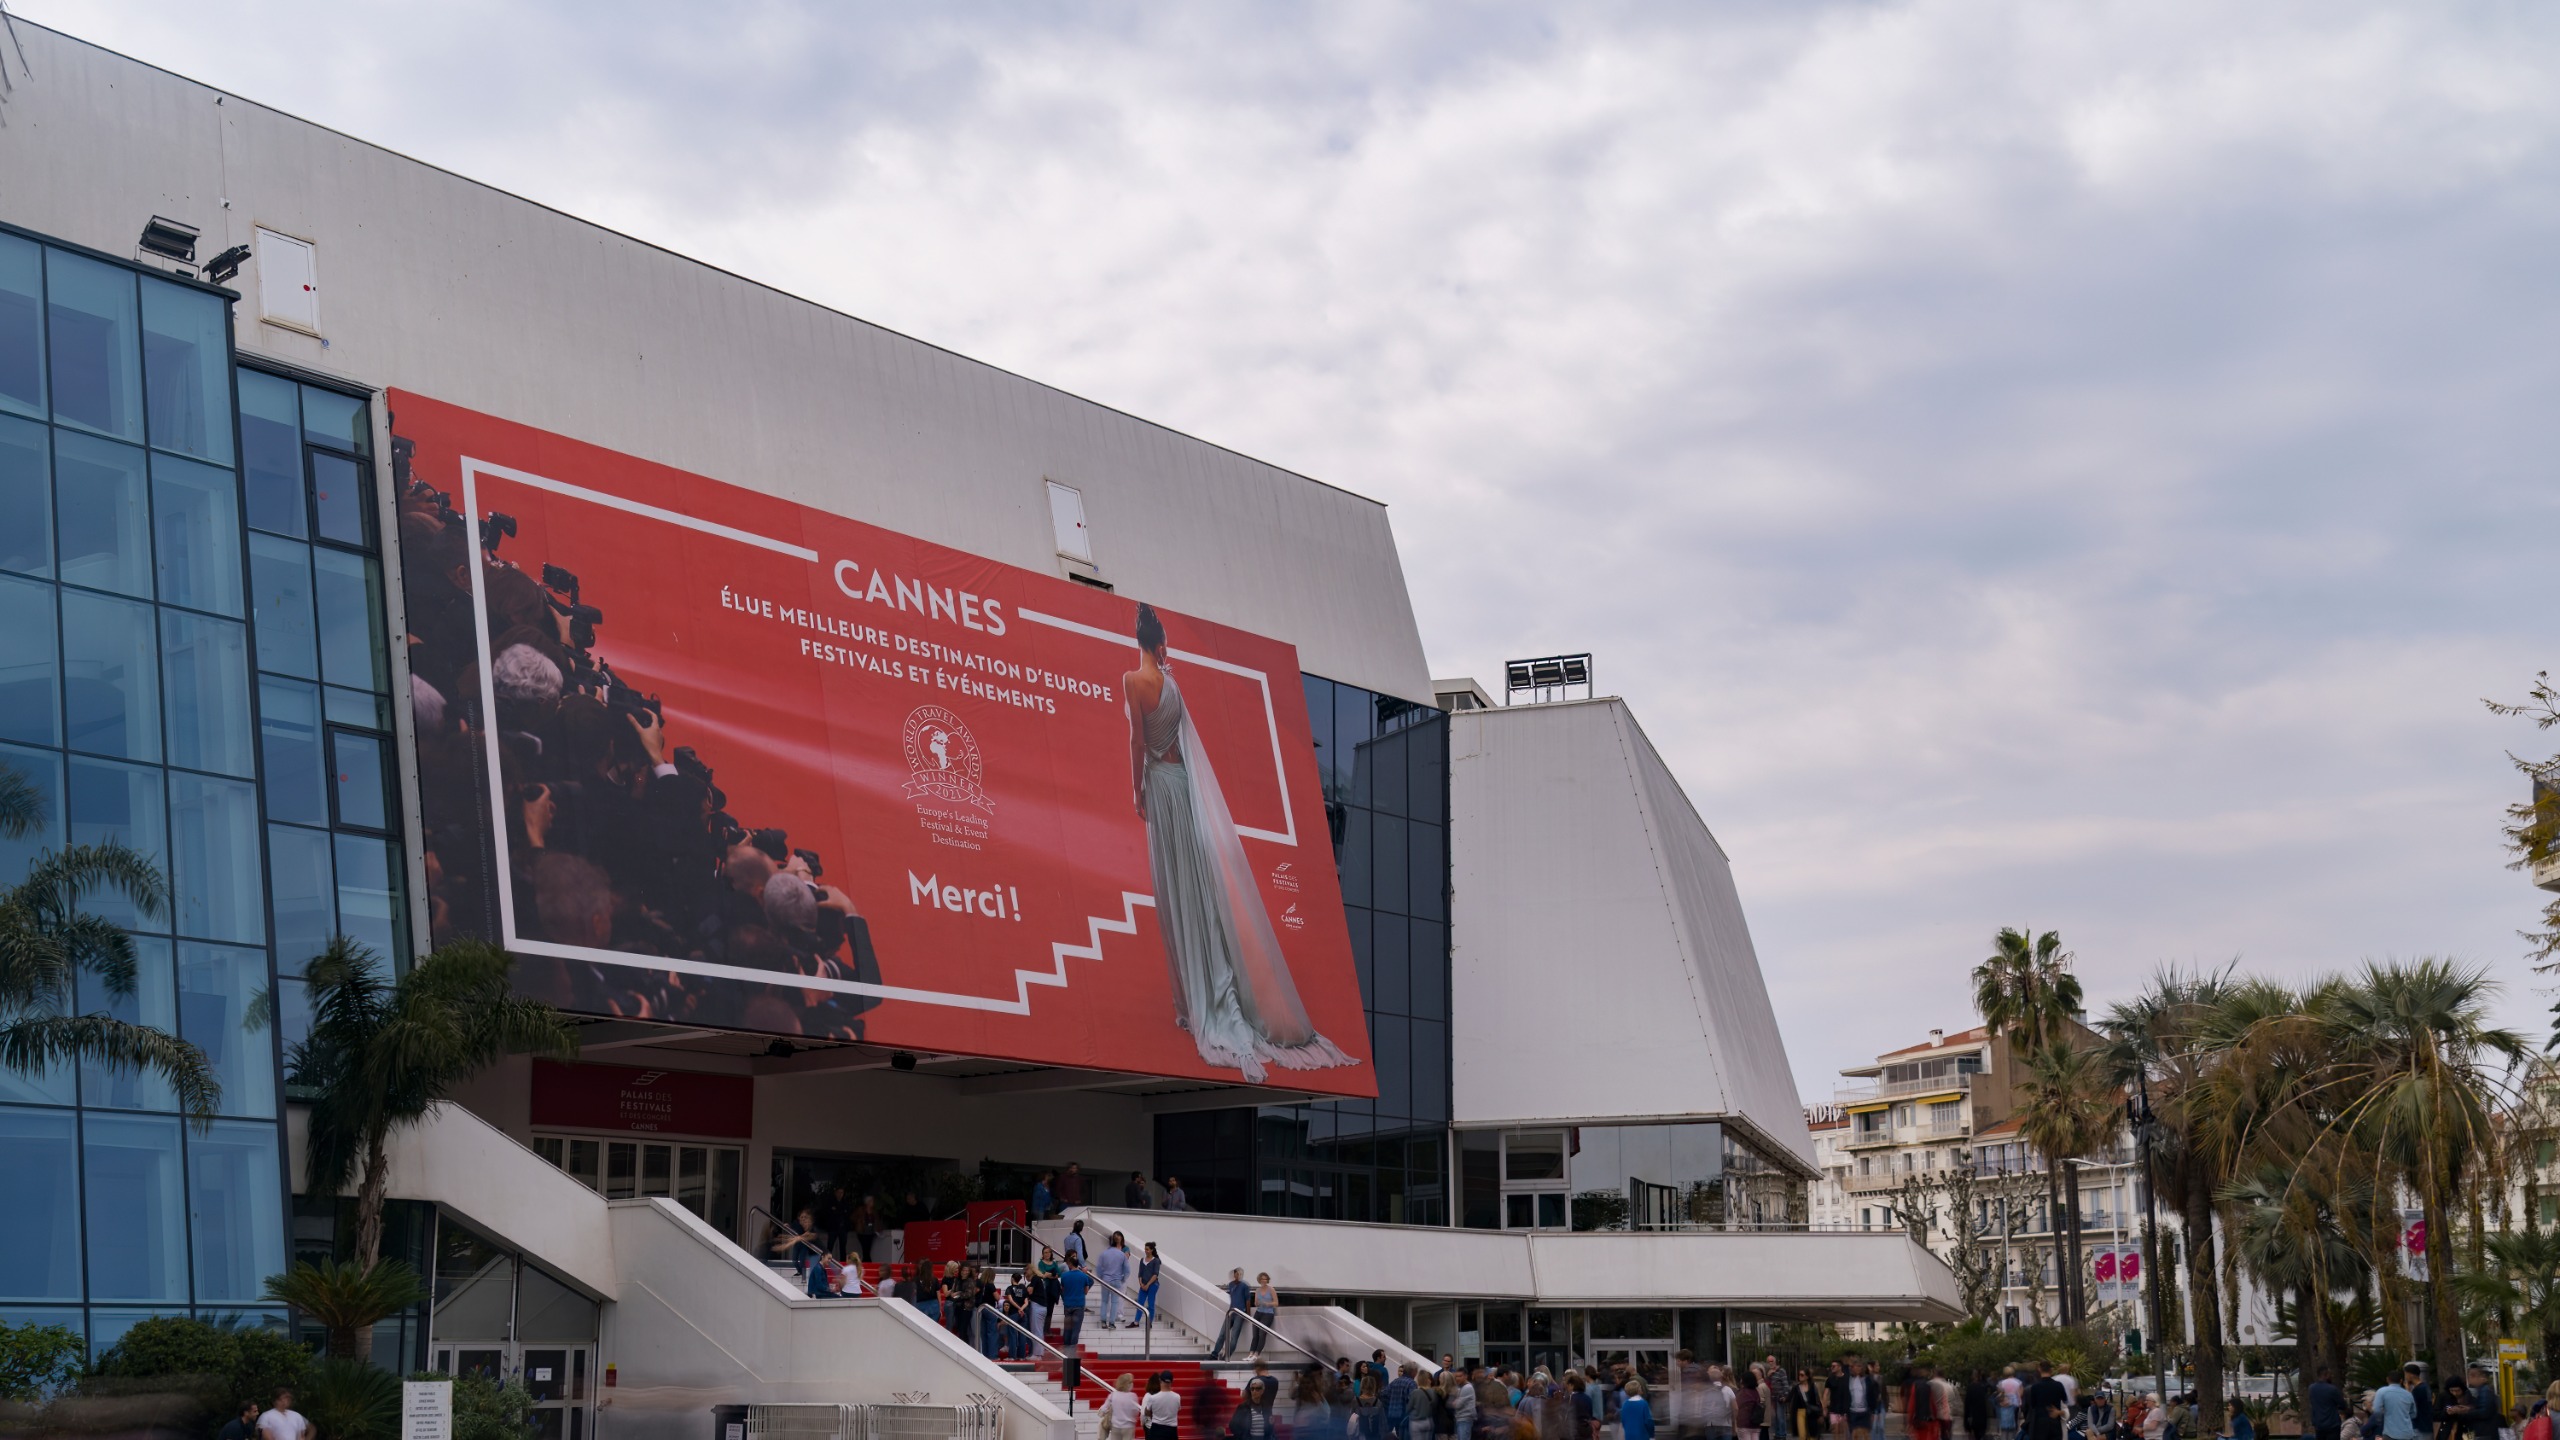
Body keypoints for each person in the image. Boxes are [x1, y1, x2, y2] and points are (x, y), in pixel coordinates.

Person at [1123, 602, 1356, 1082]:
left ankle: (1196, 1000)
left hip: (1161, 786)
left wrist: (1137, 789)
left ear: (1137, 638)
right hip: (1183, 784)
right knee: (1197, 886)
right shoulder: (1173, 684)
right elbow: (1180, 739)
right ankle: (1207, 990)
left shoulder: (1134, 681)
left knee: (1177, 885)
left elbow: (1136, 741)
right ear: (1160, 638)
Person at [773, 1208, 829, 1297]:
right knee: (814, 1273)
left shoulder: (812, 1231)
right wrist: (784, 1239)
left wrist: (783, 1246)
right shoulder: (807, 1231)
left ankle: (818, 1292)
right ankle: (815, 1292)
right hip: (813, 1254)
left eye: (805, 1219)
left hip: (821, 1254)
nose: (803, 1221)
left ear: (810, 1221)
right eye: (802, 1219)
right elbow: (797, 1238)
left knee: (814, 1273)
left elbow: (798, 1238)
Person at [1212, 1268, 1253, 1359]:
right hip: (1231, 1312)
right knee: (1222, 1334)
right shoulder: (1231, 1285)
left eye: (1239, 1274)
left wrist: (1248, 1314)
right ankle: (1214, 1353)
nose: (1237, 1276)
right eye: (1235, 1274)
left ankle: (1227, 1356)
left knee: (1234, 1337)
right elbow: (1231, 1294)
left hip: (1240, 1313)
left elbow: (1248, 1300)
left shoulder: (1245, 1286)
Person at [2026, 1364, 2069, 1440]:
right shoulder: (2058, 1385)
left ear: (2039, 1370)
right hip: (2055, 1421)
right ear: (2051, 1370)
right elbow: (2065, 1399)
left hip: (2040, 1422)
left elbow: (2033, 1405)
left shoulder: (2035, 1387)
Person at [1060, 1252, 1095, 1346]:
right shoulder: (1083, 1276)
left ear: (1070, 1264)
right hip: (1079, 1305)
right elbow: (1086, 1291)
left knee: (1067, 1328)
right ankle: (1072, 1350)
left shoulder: (1064, 1276)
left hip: (1067, 1305)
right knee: (1076, 1329)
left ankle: (1066, 1347)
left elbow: (1063, 1290)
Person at [1098, 1232, 1132, 1328]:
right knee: (1110, 1299)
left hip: (1119, 1276)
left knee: (1119, 1297)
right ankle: (1109, 1317)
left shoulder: (1125, 1249)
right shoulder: (1110, 1250)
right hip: (1112, 1277)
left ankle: (1119, 1314)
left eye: (1119, 1237)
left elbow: (1126, 1259)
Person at [2377, 1370, 2421, 1440]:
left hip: (2390, 1433)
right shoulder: (2408, 1395)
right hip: (2407, 1434)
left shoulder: (2382, 1392)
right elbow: (2413, 1414)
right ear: (2401, 1381)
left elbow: (2377, 1411)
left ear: (2387, 1379)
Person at [1847, 1361, 1883, 1440]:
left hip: (1865, 1411)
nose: (1858, 1368)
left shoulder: (1867, 1380)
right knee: (1854, 1435)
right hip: (1852, 1411)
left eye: (1860, 1366)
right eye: (1856, 1366)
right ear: (1852, 1368)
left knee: (1866, 1434)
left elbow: (1873, 1395)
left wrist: (1873, 1411)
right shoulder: (1848, 1380)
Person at [1102, 1375, 1143, 1440]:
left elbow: (1103, 1409)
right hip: (1129, 1426)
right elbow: (1136, 1411)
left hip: (1115, 1425)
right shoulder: (1133, 1396)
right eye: (1131, 1382)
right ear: (1127, 1384)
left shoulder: (1113, 1395)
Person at [2308, 1369, 2346, 1440]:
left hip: (2319, 1424)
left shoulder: (2311, 1388)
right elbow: (2342, 1405)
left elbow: (2312, 1403)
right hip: (2332, 1424)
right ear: (2326, 1375)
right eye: (2330, 1375)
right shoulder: (2332, 1389)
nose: (2331, 1376)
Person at [1145, 1375, 1184, 1440]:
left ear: (1160, 1381)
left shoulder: (1153, 1398)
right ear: (1171, 1382)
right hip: (1171, 1430)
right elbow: (1178, 1409)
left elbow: (1147, 1411)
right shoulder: (1177, 1397)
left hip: (1157, 1428)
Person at [1390, 1362, 1422, 1440]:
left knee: (1398, 1435)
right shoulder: (1411, 1383)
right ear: (1413, 1371)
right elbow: (1413, 1400)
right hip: (1405, 1416)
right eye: (1416, 1371)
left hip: (1393, 1414)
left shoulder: (1395, 1381)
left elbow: (1384, 1394)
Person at [1250, 1272, 1279, 1357]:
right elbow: (1256, 1303)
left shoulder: (1271, 1289)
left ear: (1267, 1280)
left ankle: (1256, 1353)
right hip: (1258, 1312)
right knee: (1255, 1334)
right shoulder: (1257, 1290)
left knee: (1262, 1333)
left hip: (1268, 1313)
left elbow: (1276, 1303)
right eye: (1262, 1279)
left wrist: (1268, 1304)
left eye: (1265, 1279)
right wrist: (1257, 1303)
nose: (1264, 1281)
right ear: (1259, 1280)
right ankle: (1251, 1353)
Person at [1449, 1366, 1480, 1440]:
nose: (1457, 1378)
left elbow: (1457, 1405)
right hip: (1460, 1418)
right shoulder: (1460, 1387)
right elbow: (1451, 1402)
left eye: (1460, 1376)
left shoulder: (1467, 1388)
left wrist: (1454, 1400)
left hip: (1465, 1419)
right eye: (1456, 1376)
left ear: (1466, 1376)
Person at [1137, 1242, 1163, 1325]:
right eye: (1145, 1249)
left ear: (1151, 1250)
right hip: (1143, 1284)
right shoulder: (1142, 1260)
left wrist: (1148, 1284)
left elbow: (1155, 1274)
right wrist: (1141, 1283)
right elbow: (1140, 1273)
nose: (1146, 1251)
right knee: (1140, 1303)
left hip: (1152, 1285)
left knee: (1150, 1304)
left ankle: (1149, 1322)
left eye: (1147, 1249)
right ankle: (1136, 1321)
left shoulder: (1156, 1261)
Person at [1967, 1371, 1995, 1440]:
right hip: (1982, 1415)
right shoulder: (1983, 1387)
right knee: (1980, 1434)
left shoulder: (1971, 1387)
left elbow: (1968, 1404)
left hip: (1974, 1415)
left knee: (1975, 1434)